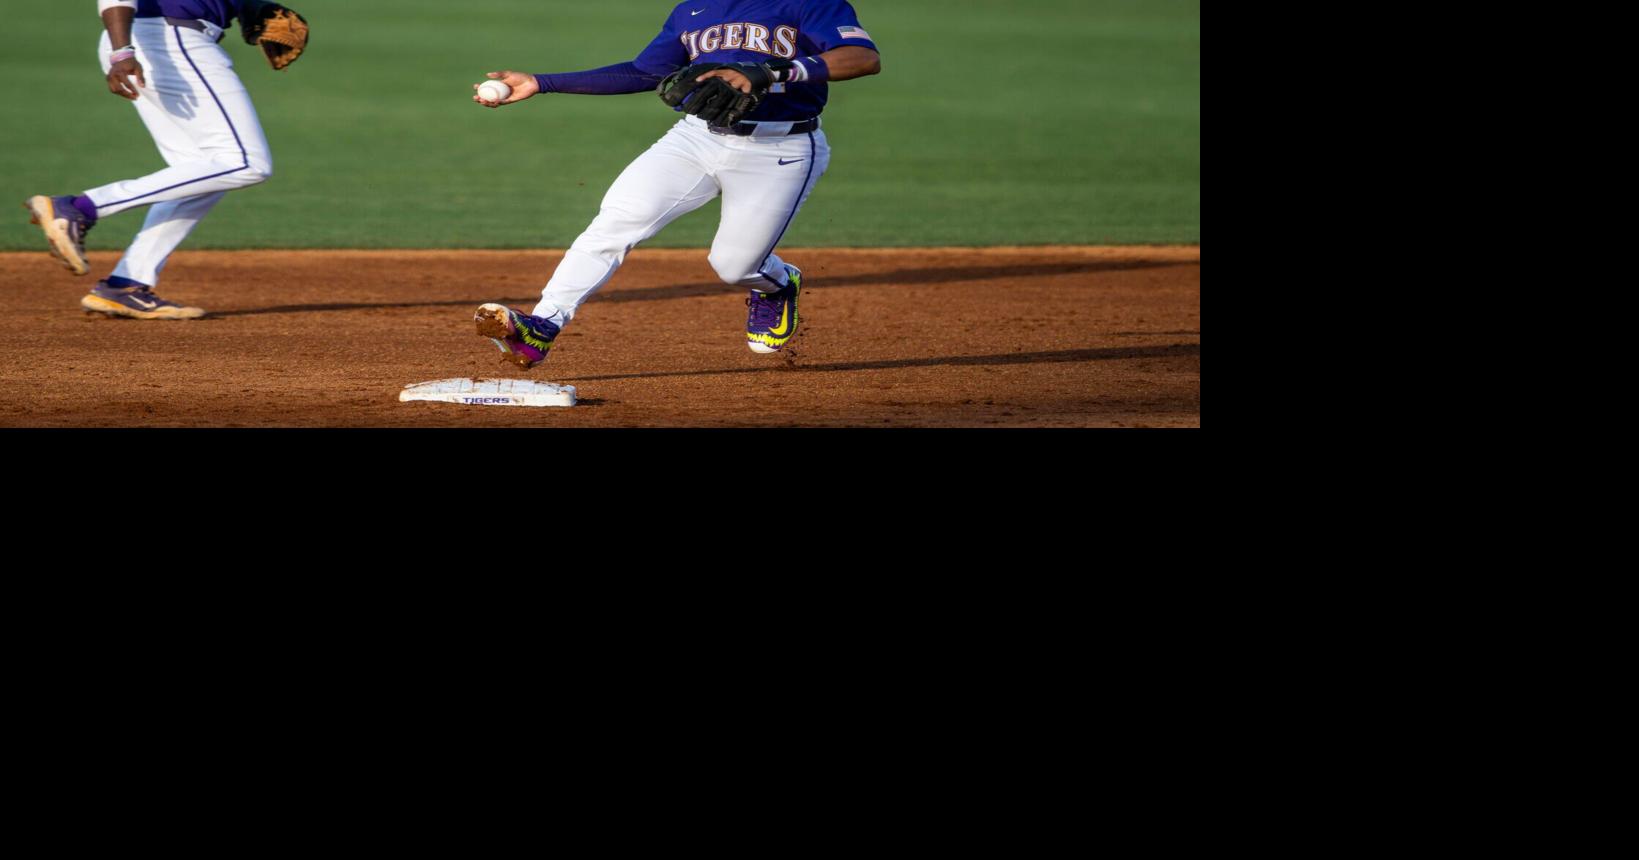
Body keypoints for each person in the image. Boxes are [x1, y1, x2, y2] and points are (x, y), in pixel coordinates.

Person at [471, 0, 881, 368]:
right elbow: (645, 71)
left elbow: (863, 58)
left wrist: (771, 70)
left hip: (782, 148)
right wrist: (541, 82)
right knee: (615, 221)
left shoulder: (810, 4)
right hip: (696, 138)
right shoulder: (693, 10)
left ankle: (777, 284)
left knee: (735, 266)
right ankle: (541, 327)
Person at [24, 1, 307, 320]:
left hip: (159, 42)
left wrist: (249, 7)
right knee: (247, 162)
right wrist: (122, 53)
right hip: (166, 41)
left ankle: (126, 284)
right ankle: (80, 207)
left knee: (201, 174)